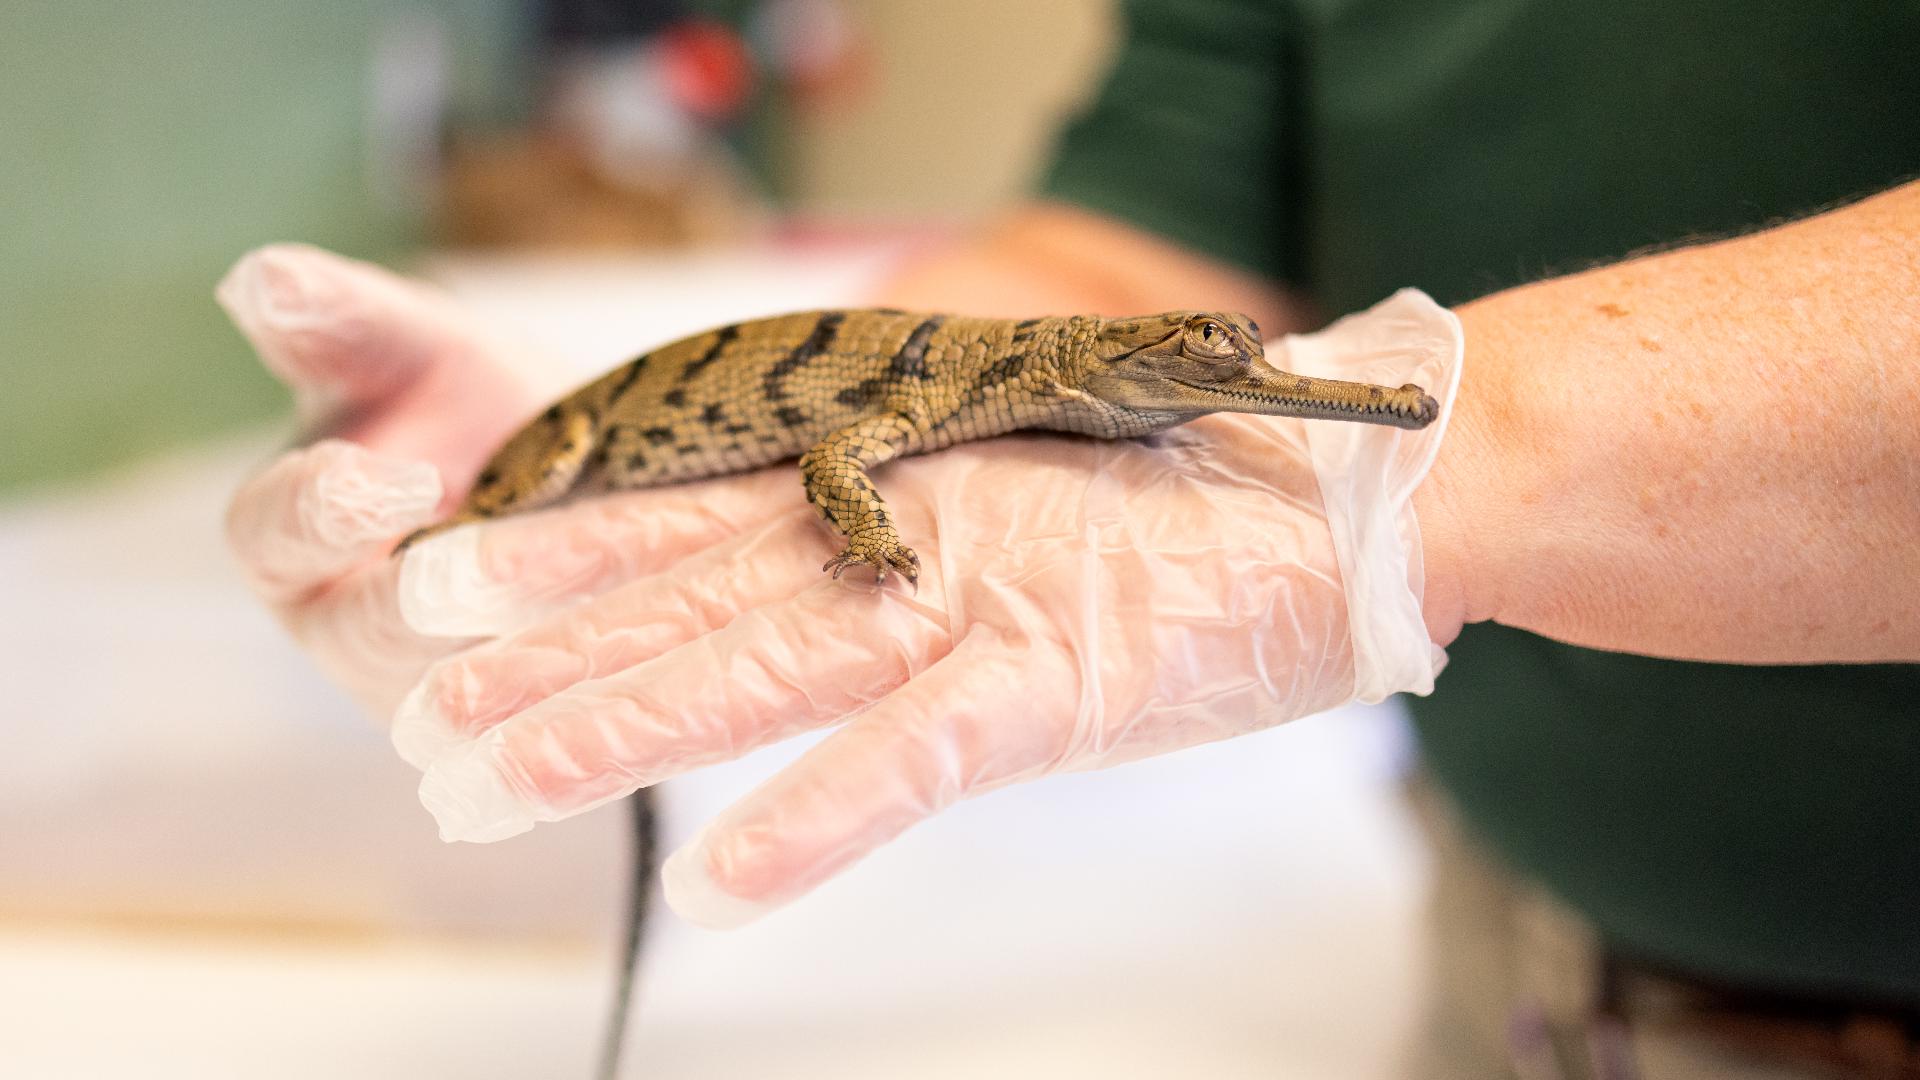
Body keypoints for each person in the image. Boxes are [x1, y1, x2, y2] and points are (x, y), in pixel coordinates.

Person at [222, 2, 1920, 1076]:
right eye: (1200, 384)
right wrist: (569, 467)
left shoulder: (1031, 395)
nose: (1247, 393)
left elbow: (1093, 373)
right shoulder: (995, 382)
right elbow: (1119, 275)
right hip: (1530, 973)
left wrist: (1460, 459)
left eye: (1227, 382)